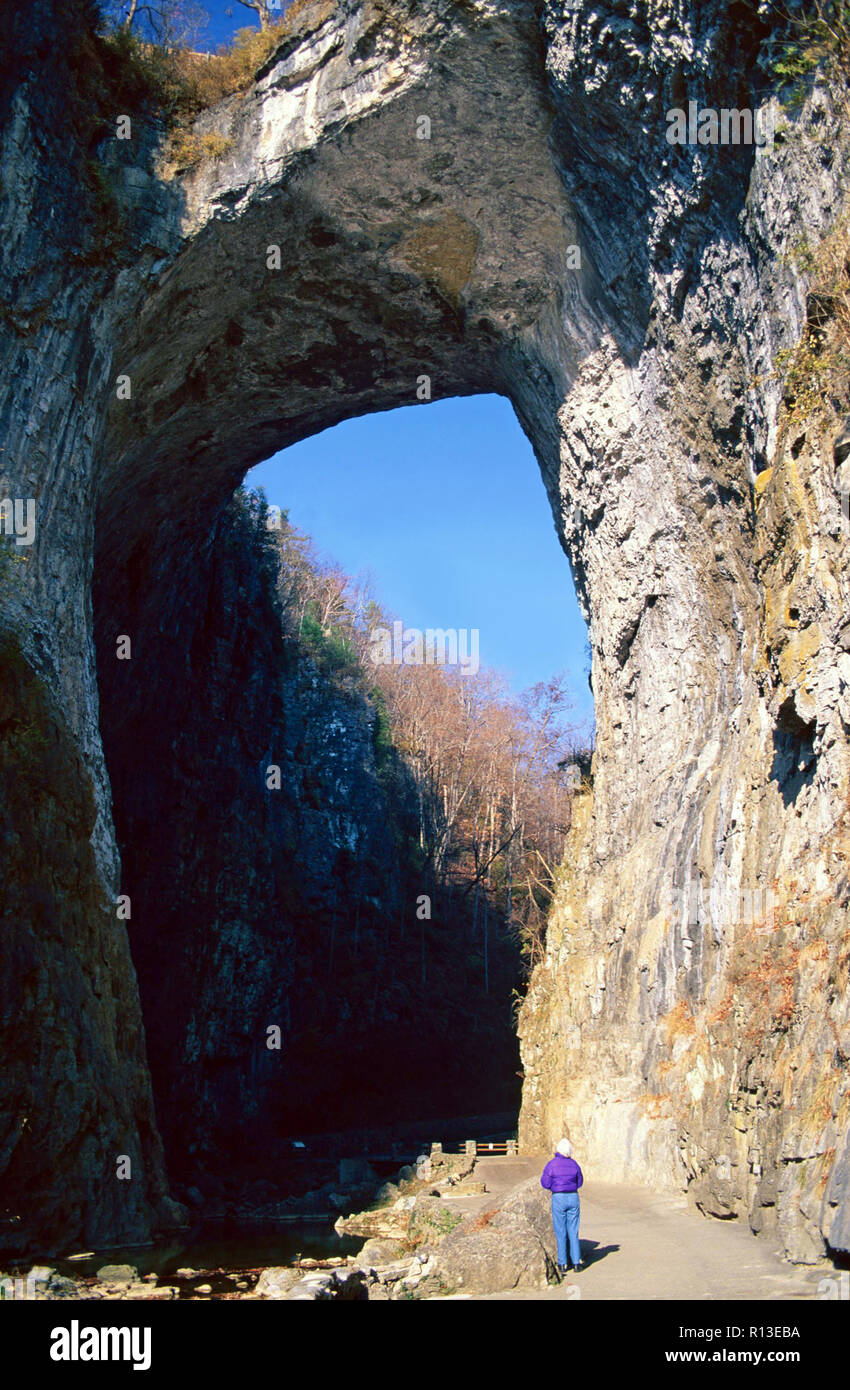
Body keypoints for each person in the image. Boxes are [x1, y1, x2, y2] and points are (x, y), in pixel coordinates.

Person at [540, 1138, 584, 1277]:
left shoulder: (551, 1164)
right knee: (573, 1230)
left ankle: (563, 1263)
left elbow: (545, 1183)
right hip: (573, 1196)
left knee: (560, 1231)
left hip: (558, 1197)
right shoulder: (574, 1164)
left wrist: (555, 1186)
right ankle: (576, 1262)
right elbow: (580, 1181)